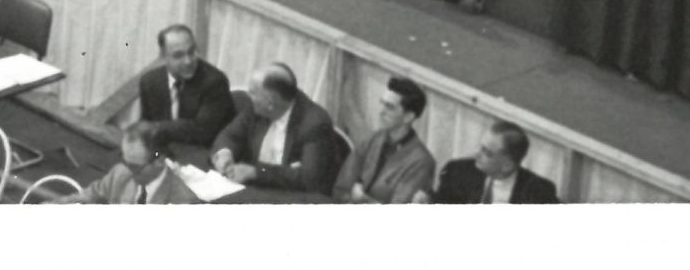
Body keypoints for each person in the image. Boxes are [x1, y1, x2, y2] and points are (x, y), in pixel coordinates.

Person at [209, 62, 348, 191]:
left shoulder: (315, 123)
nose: (248, 96)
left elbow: (309, 179)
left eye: (253, 93)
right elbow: (230, 135)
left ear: (270, 101)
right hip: (254, 190)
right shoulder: (255, 109)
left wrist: (256, 172)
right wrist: (225, 153)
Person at [337, 76, 437, 203]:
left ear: (408, 117)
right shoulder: (372, 139)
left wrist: (362, 200)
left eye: (389, 107)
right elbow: (341, 188)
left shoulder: (421, 162)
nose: (381, 112)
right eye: (382, 103)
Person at [432, 121, 560, 204]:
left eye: (487, 153)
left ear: (507, 165)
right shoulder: (458, 172)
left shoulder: (538, 193)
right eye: (481, 147)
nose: (477, 154)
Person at [79, 126, 200, 204]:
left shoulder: (184, 202)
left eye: (135, 167)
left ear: (159, 161)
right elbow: (90, 195)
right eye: (125, 162)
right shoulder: (120, 172)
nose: (128, 172)